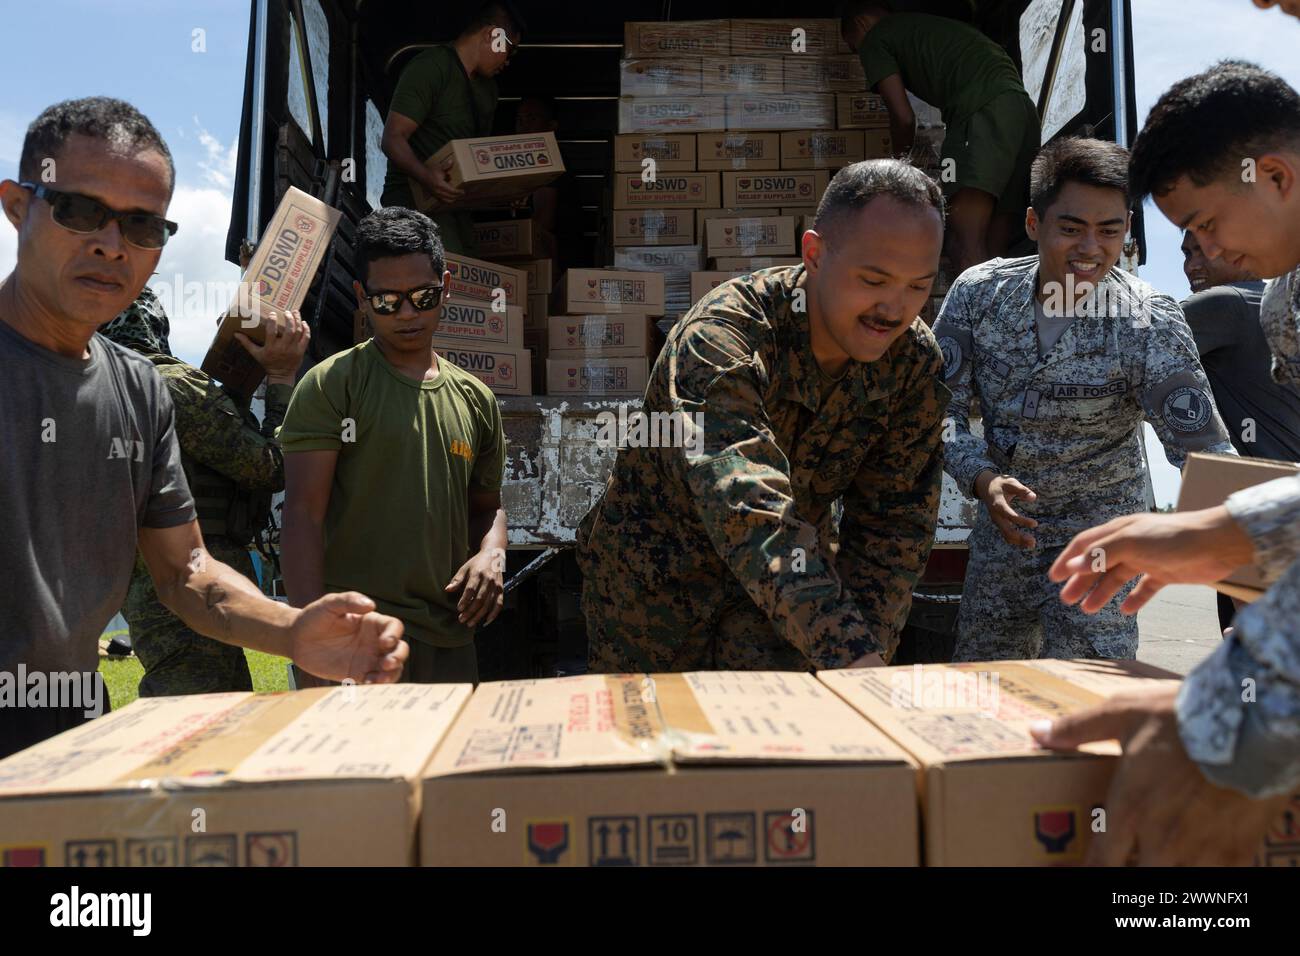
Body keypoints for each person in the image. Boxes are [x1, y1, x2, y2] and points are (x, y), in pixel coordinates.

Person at [0, 97, 406, 759]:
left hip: (69, 730)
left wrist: (294, 628)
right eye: (79, 210)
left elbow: (187, 572)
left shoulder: (140, 392)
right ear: (18, 206)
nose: (111, 244)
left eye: (143, 226)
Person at [1034, 60, 1300, 865]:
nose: (1203, 249)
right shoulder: (1286, 299)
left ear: (1278, 176)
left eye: (1208, 222)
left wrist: (1229, 728)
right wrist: (1219, 534)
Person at [578, 159, 950, 672]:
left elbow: (895, 531)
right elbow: (744, 500)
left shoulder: (912, 363)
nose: (893, 307)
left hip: (785, 606)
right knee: (649, 746)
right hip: (657, 597)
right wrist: (846, 651)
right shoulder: (724, 335)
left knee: (783, 745)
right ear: (815, 254)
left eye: (917, 286)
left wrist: (865, 658)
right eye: (874, 279)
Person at [934, 137, 1234, 663]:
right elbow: (938, 412)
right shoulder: (978, 296)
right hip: (1004, 543)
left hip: (1102, 552)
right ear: (1034, 224)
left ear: (1127, 233)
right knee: (981, 694)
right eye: (1071, 228)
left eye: (1110, 230)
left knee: (1092, 697)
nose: (1090, 248)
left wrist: (1255, 576)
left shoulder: (1148, 321)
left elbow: (1204, 456)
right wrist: (982, 479)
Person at [280, 207, 507, 685]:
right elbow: (302, 517)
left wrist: (492, 553)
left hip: (450, 639)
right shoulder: (332, 385)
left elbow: (488, 507)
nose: (407, 313)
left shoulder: (476, 400)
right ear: (362, 297)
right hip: (357, 642)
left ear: (446, 286)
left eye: (422, 297)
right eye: (387, 301)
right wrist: (310, 641)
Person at [99, 286, 310, 696]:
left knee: (214, 713)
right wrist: (282, 379)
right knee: (192, 720)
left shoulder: (97, 389)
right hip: (196, 584)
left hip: (146, 585)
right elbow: (271, 465)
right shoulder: (171, 385)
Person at [840, 1, 1040, 273]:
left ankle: (975, 315)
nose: (860, 57)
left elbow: (903, 117)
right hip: (1023, 113)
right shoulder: (927, 28)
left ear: (862, 24)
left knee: (962, 238)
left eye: (855, 48)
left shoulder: (876, 37)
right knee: (997, 247)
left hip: (981, 112)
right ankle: (1001, 315)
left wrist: (899, 174)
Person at [1178, 229, 1300, 632]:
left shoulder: (1223, 303)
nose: (1192, 264)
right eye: (1186, 252)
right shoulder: (1278, 308)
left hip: (1256, 514)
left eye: (1204, 250)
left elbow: (1132, 358)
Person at [380, 1, 523, 254]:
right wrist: (426, 176)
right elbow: (392, 138)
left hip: (458, 213)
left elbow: (478, 162)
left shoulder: (488, 91)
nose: (509, 61)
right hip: (414, 207)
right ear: (493, 35)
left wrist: (504, 190)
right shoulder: (431, 67)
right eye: (510, 51)